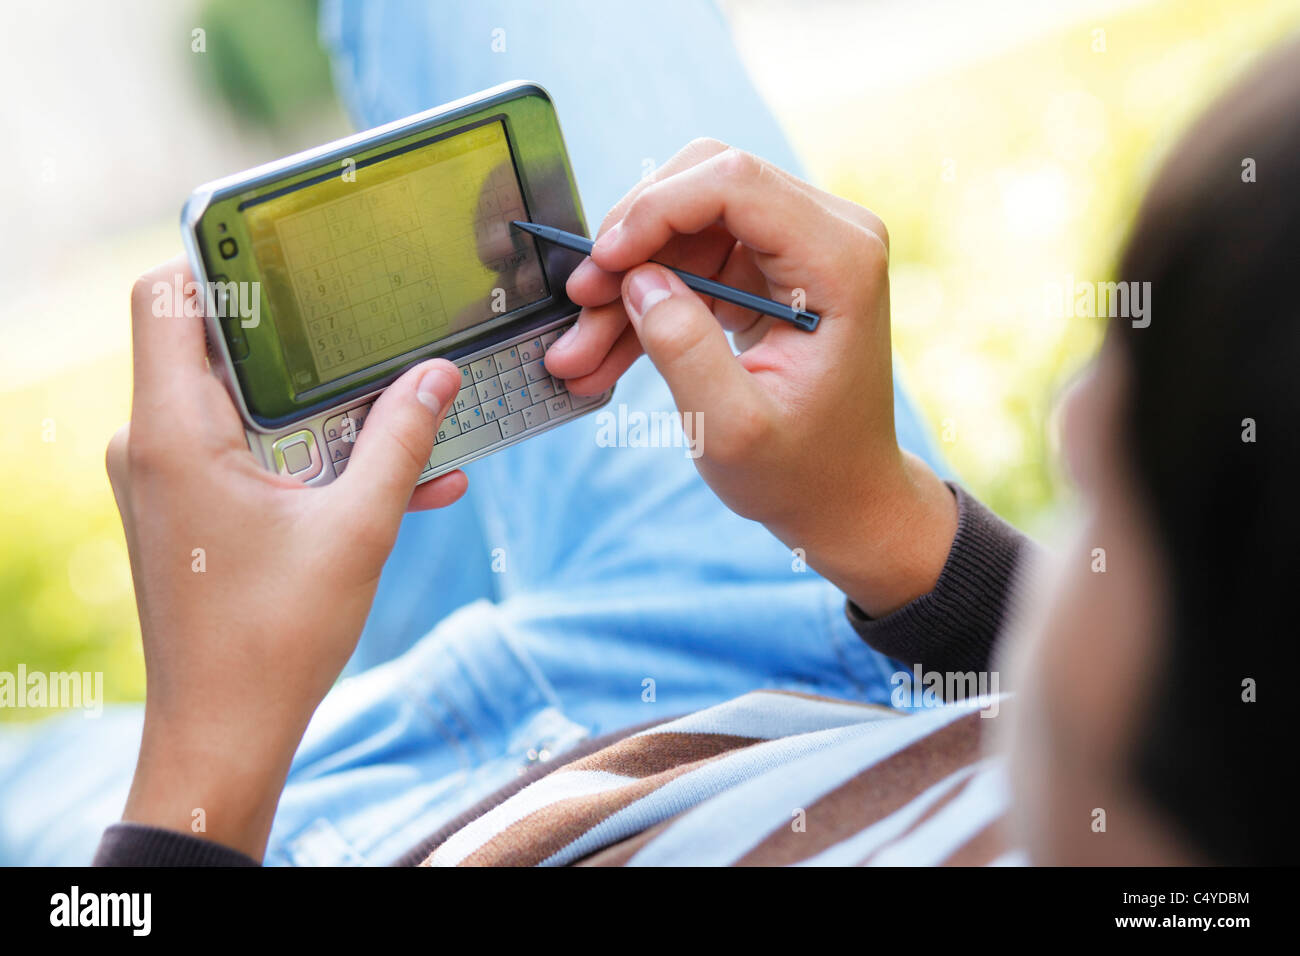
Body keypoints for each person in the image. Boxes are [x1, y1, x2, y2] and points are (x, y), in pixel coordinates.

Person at [91, 36, 1297, 866]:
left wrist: (198, 770)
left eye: (1149, 479)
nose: (1078, 412)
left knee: (56, 763)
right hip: (813, 611)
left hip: (306, 808)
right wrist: (879, 515)